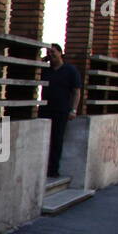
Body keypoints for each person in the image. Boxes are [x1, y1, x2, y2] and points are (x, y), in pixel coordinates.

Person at [40, 44, 81, 179]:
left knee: (57, 140)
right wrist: (43, 60)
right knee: (43, 140)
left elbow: (76, 91)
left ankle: (53, 170)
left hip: (61, 110)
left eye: (53, 52)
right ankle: (42, 167)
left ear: (60, 53)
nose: (50, 54)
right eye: (48, 52)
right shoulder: (45, 70)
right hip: (45, 109)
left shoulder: (70, 70)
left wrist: (73, 109)